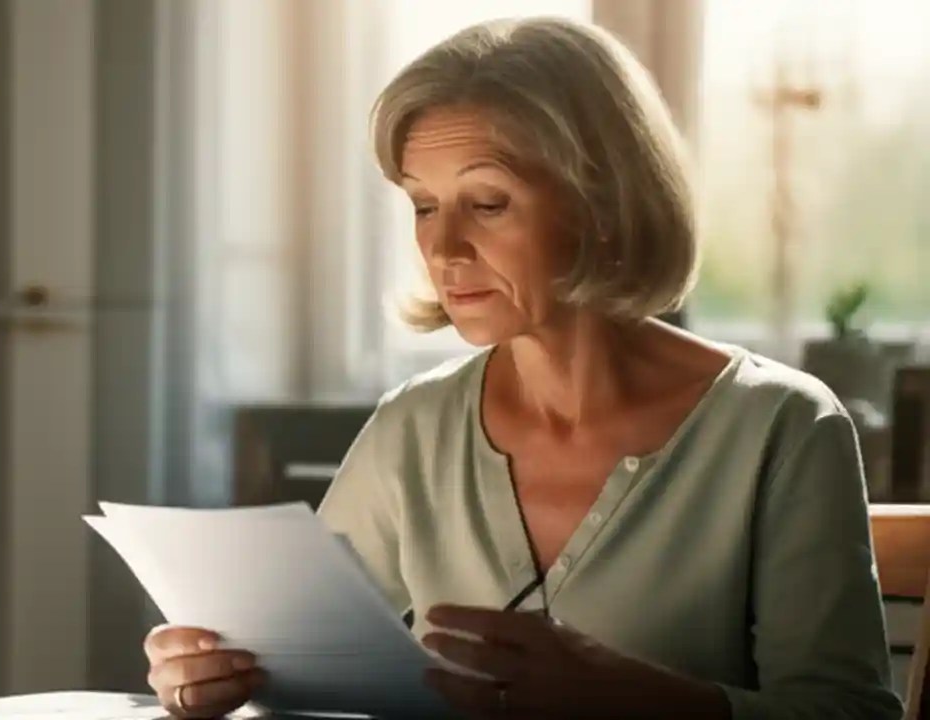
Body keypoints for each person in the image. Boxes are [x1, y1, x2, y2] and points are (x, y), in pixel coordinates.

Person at [143, 16, 901, 719]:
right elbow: (297, 670)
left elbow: (850, 714)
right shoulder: (415, 425)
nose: (443, 250)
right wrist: (214, 675)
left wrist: (630, 696)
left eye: (489, 202)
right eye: (423, 205)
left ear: (601, 201)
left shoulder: (783, 426)